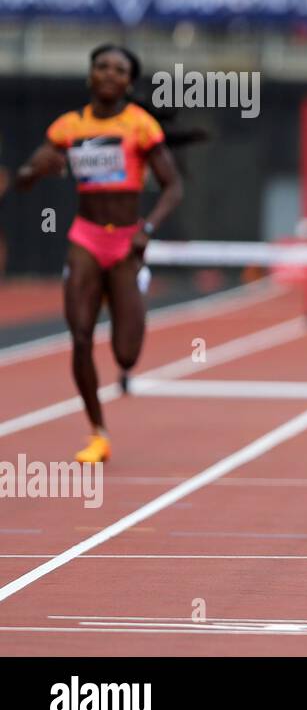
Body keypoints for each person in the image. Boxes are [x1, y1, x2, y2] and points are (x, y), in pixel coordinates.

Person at [15, 44, 183, 464]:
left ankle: (127, 288)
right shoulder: (68, 127)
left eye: (119, 69)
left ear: (129, 81)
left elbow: (174, 187)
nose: (109, 74)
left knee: (126, 355)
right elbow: (25, 178)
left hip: (126, 241)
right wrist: (35, 170)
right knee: (81, 335)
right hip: (86, 238)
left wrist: (147, 229)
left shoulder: (140, 127)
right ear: (90, 75)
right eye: (102, 67)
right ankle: (98, 433)